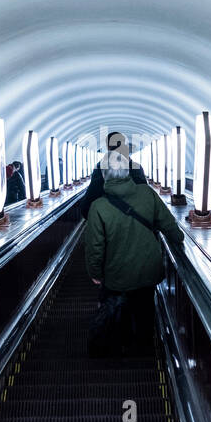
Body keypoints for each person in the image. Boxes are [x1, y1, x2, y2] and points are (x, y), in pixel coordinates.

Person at [83, 149, 183, 355]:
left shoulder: (98, 207)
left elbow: (95, 247)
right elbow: (168, 225)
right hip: (148, 270)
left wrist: (95, 274)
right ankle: (145, 348)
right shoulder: (147, 193)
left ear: (103, 175)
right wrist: (179, 239)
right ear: (128, 171)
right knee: (145, 307)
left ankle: (122, 346)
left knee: (118, 310)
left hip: (115, 274)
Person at [79, 132, 147, 219]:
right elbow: (145, 195)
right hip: (137, 221)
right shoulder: (136, 167)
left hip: (108, 222)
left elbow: (87, 205)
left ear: (108, 146)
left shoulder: (100, 168)